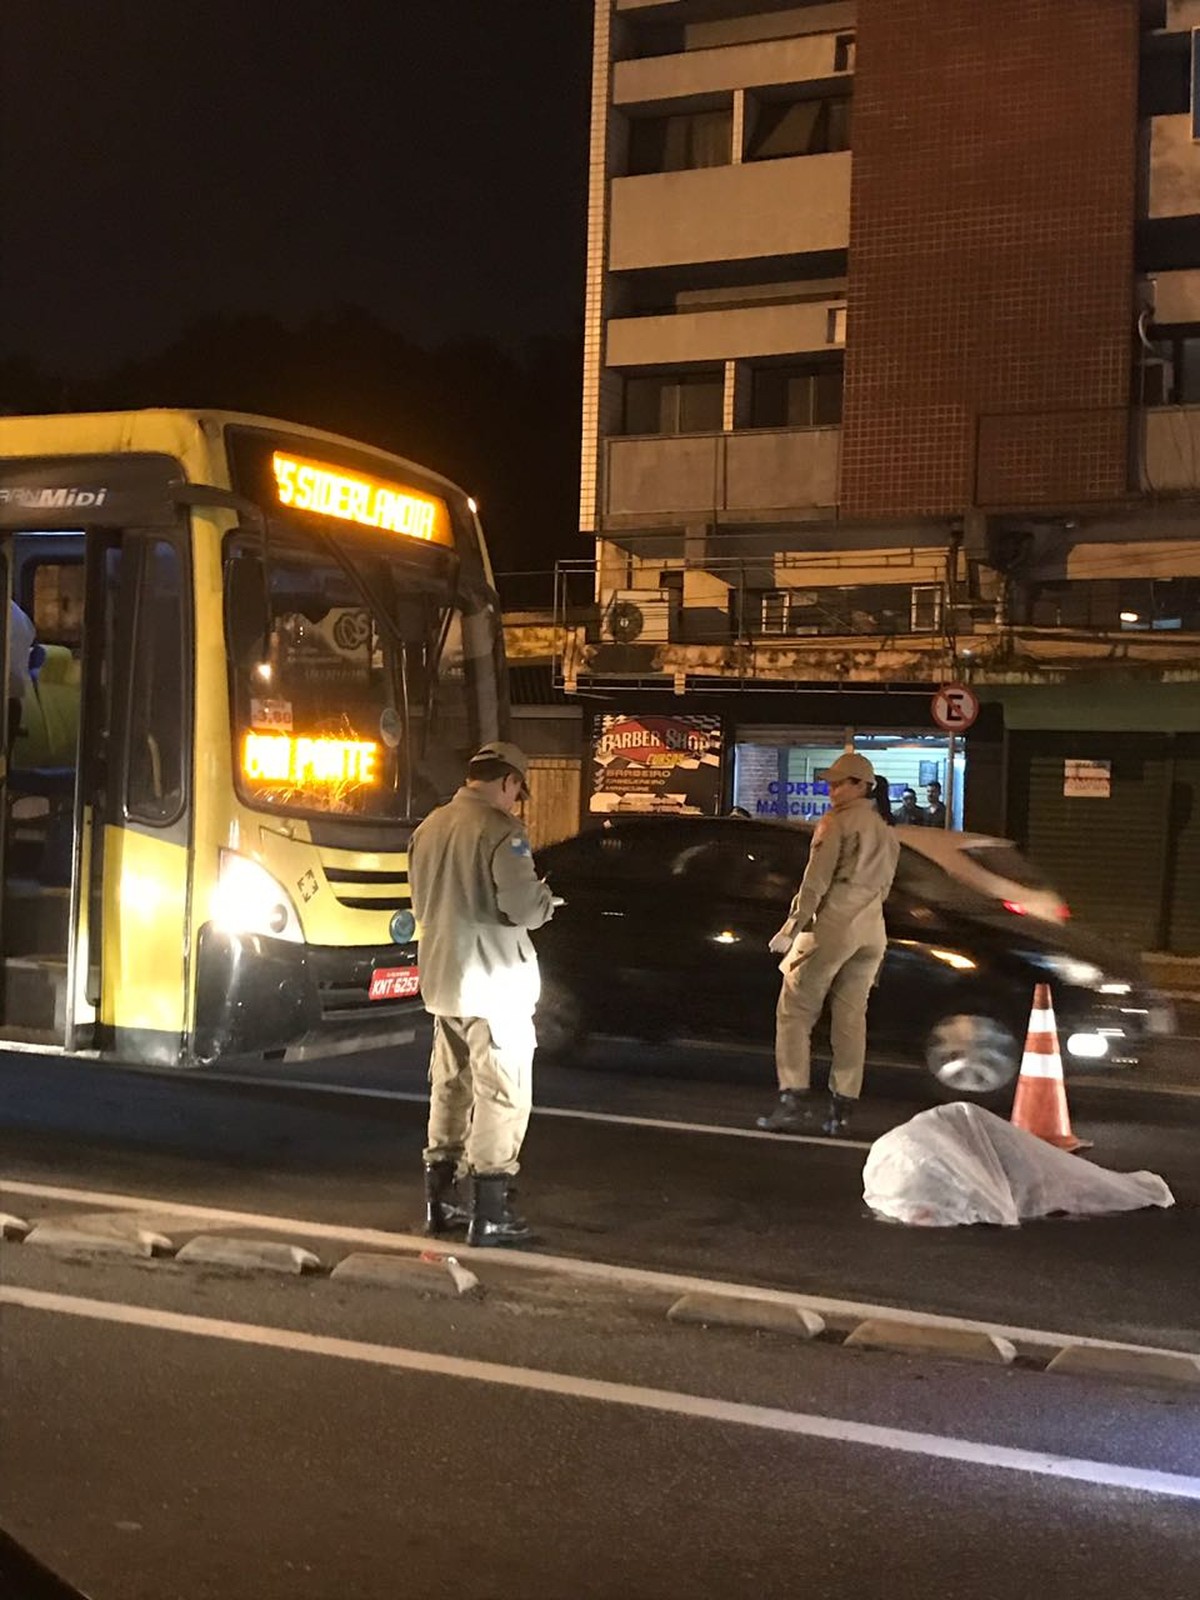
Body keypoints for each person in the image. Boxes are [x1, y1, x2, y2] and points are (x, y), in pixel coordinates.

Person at [407, 740, 555, 1247]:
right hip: (494, 983)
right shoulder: (501, 830)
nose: (516, 802)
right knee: (502, 1092)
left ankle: (439, 1200)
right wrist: (545, 900)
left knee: (450, 1087)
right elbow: (522, 907)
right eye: (518, 792)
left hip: (442, 979)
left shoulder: (429, 827)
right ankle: (490, 1212)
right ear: (509, 781)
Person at [757, 750, 900, 1138]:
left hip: (834, 923)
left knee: (795, 1011)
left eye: (840, 784)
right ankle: (842, 1107)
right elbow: (886, 886)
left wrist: (791, 927)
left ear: (862, 786)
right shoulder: (887, 828)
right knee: (851, 1019)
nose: (832, 790)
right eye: (831, 784)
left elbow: (815, 882)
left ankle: (793, 1099)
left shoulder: (836, 823)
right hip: (872, 929)